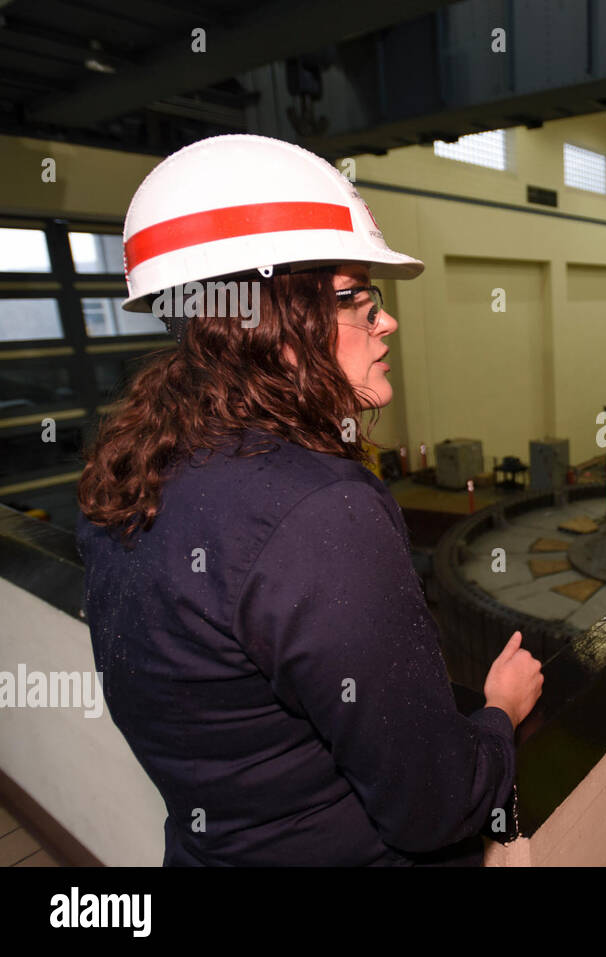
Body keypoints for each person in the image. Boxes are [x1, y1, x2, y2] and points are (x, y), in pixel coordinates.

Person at [76, 134, 542, 865]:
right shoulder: (320, 512)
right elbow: (434, 803)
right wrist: (498, 713)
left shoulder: (133, 470)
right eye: (358, 297)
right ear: (272, 321)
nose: (385, 321)